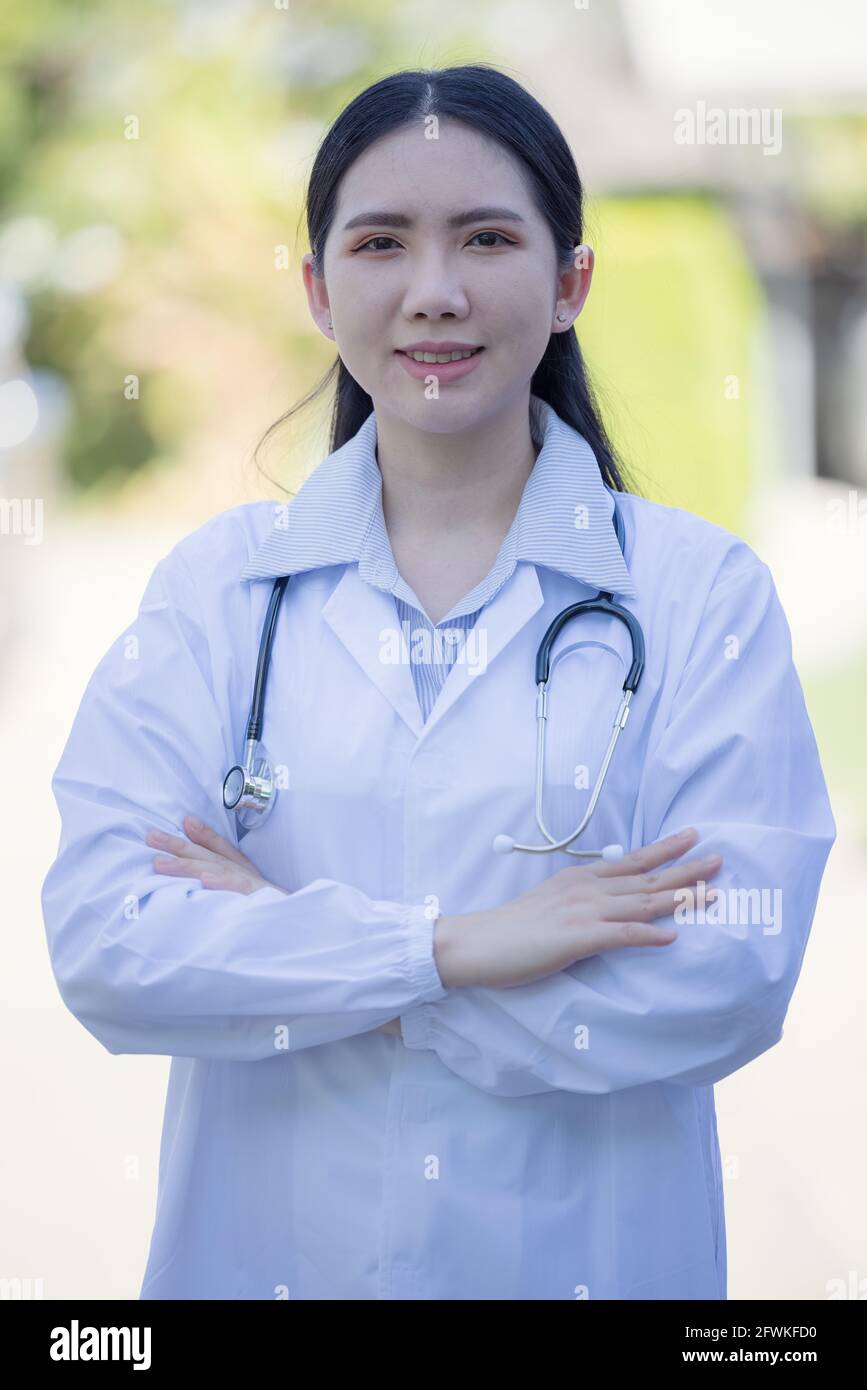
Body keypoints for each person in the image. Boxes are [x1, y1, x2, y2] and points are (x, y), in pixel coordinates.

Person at [41, 64, 836, 1301]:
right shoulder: (217, 595)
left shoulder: (698, 597)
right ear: (316, 289)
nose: (434, 291)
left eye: (486, 237)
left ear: (570, 281)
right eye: (380, 242)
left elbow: (726, 973)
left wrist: (324, 958)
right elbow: (110, 944)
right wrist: (461, 946)